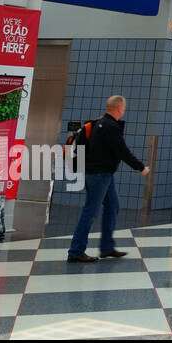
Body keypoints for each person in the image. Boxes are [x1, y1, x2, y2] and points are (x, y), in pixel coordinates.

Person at [67, 96, 150, 262]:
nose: (124, 110)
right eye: (124, 107)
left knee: (112, 206)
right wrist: (140, 167)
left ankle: (106, 247)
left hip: (101, 174)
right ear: (119, 108)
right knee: (90, 212)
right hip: (99, 175)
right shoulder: (110, 127)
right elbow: (122, 151)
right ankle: (75, 251)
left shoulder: (99, 123)